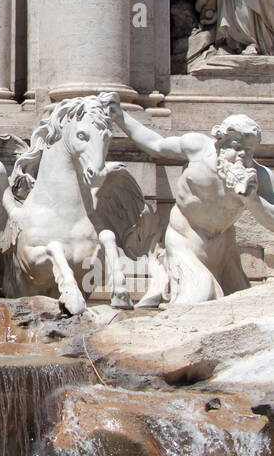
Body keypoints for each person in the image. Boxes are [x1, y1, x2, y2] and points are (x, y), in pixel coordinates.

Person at [109, 101, 274, 304]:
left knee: (243, 302)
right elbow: (156, 144)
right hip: (184, 238)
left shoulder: (260, 176)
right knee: (200, 295)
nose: (242, 155)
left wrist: (252, 199)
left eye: (249, 151)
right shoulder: (198, 149)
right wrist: (120, 116)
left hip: (223, 247)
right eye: (236, 147)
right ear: (220, 142)